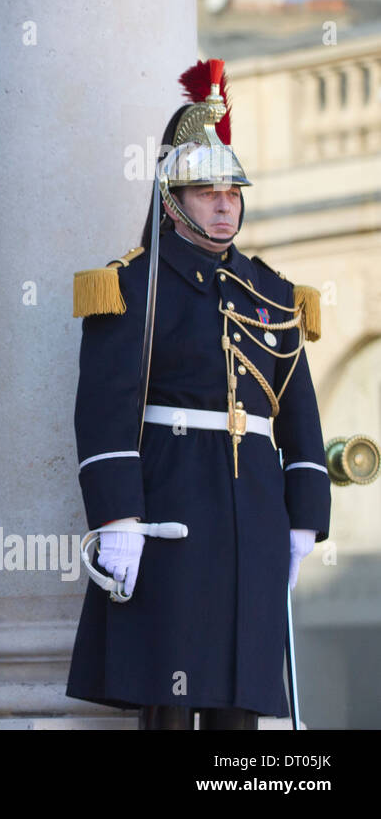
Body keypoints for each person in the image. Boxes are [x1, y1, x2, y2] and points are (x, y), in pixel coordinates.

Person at [66, 60, 331, 729]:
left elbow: (298, 417)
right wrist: (117, 518)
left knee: (243, 689)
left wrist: (304, 518)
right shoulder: (131, 285)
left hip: (255, 509)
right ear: (170, 200)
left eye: (232, 193)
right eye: (206, 192)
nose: (223, 204)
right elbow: (104, 411)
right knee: (171, 684)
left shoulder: (272, 291)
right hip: (172, 498)